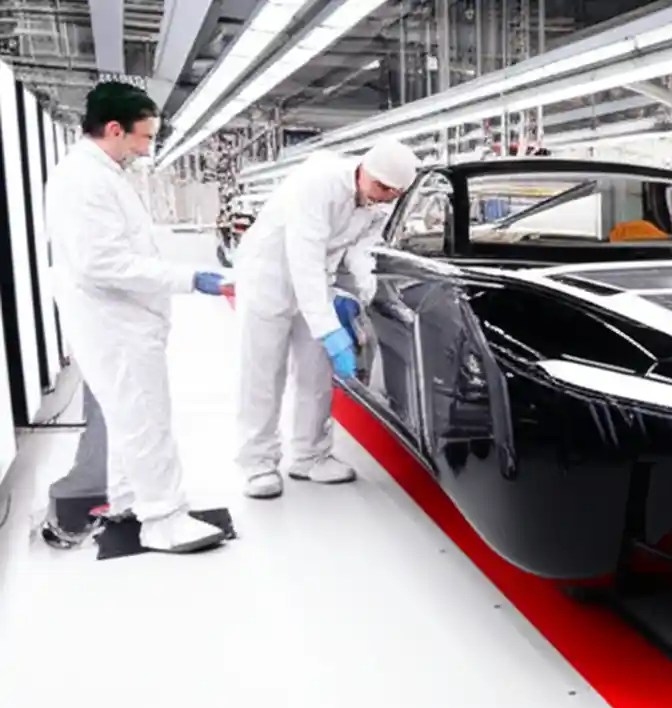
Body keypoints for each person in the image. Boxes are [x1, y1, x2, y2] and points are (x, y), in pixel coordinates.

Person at [44, 81, 228, 553]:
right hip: (114, 324)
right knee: (146, 419)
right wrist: (190, 279)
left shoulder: (100, 174)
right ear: (113, 129)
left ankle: (129, 498)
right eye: (143, 138)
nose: (147, 149)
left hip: (121, 322)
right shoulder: (83, 181)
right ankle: (164, 518)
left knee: (131, 418)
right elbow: (102, 263)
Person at [234, 138, 419, 500]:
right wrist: (328, 328)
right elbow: (304, 255)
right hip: (270, 279)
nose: (384, 198)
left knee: (316, 372)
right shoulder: (318, 184)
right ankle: (258, 464)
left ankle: (310, 455)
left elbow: (362, 248)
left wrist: (364, 292)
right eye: (381, 187)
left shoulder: (378, 200)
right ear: (363, 167)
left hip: (318, 282)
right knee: (263, 374)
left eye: (393, 193)